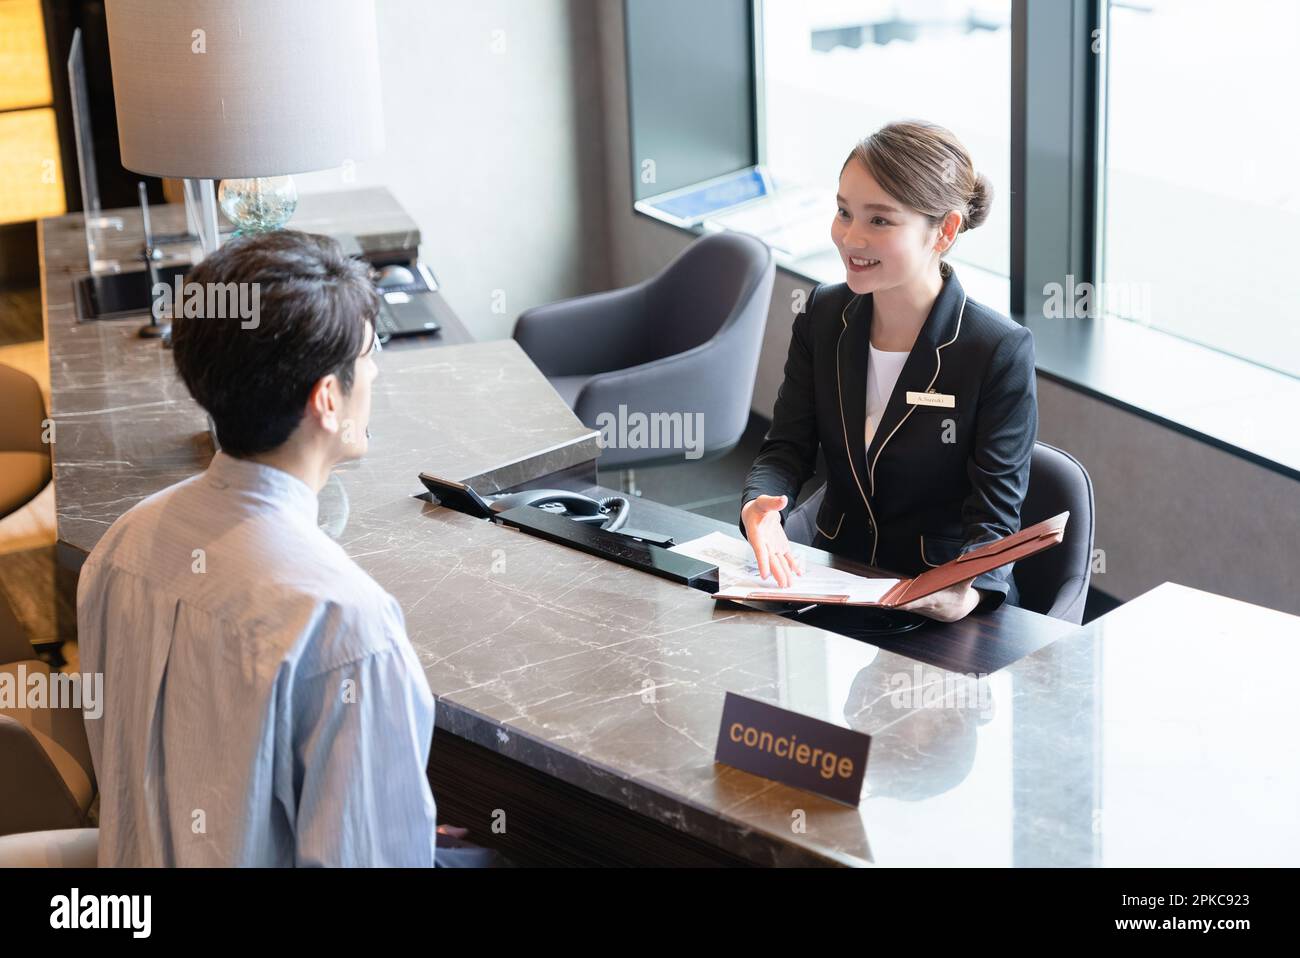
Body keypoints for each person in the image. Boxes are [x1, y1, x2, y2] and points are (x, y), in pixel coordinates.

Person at [78, 231, 439, 865]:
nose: (375, 369)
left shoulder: (120, 546)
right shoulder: (347, 628)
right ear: (327, 398)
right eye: (370, 350)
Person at [740, 120, 1038, 623]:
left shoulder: (995, 349)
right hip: (833, 576)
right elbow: (786, 448)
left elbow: (995, 521)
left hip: (938, 601)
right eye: (843, 212)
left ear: (943, 230)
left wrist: (966, 593)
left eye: (879, 221)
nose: (850, 237)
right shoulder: (823, 314)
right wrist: (759, 507)